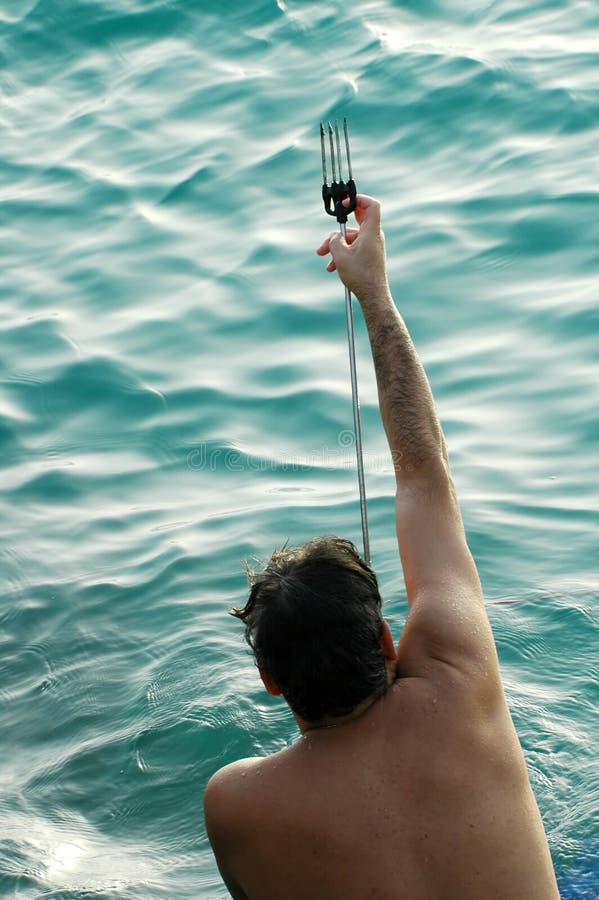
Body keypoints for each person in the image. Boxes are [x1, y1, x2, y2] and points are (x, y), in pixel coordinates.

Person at [204, 195, 560, 900]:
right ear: (388, 640)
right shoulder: (459, 683)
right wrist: (372, 293)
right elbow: (424, 478)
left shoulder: (236, 805)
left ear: (272, 682)